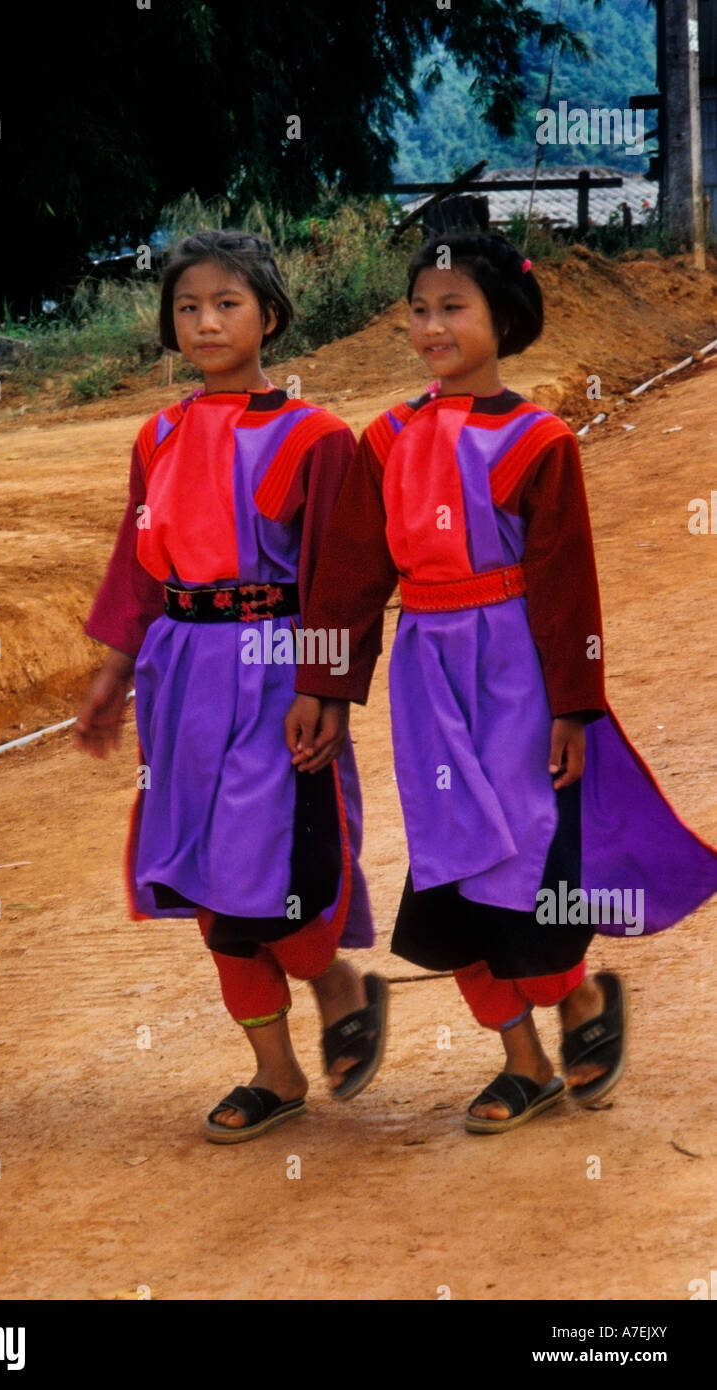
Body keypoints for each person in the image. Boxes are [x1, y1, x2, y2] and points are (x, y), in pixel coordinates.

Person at [287, 232, 717, 1134]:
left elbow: (567, 590)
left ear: (502, 321)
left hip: (516, 674)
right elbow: (352, 577)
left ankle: (581, 1005)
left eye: (454, 307)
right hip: (427, 678)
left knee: (524, 863)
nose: (432, 324)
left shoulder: (537, 440)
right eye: (419, 308)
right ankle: (523, 1065)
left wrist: (573, 709)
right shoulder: (387, 438)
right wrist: (322, 685)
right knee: (449, 872)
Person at [74, 230, 387, 1144]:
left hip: (274, 670)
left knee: (277, 868)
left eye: (226, 304)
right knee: (207, 878)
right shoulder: (158, 435)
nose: (205, 322)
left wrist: (324, 688)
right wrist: (114, 672)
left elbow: (344, 576)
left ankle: (334, 981)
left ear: (270, 318)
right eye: (187, 307)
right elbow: (138, 570)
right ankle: (274, 1073)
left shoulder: (316, 436)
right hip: (180, 677)